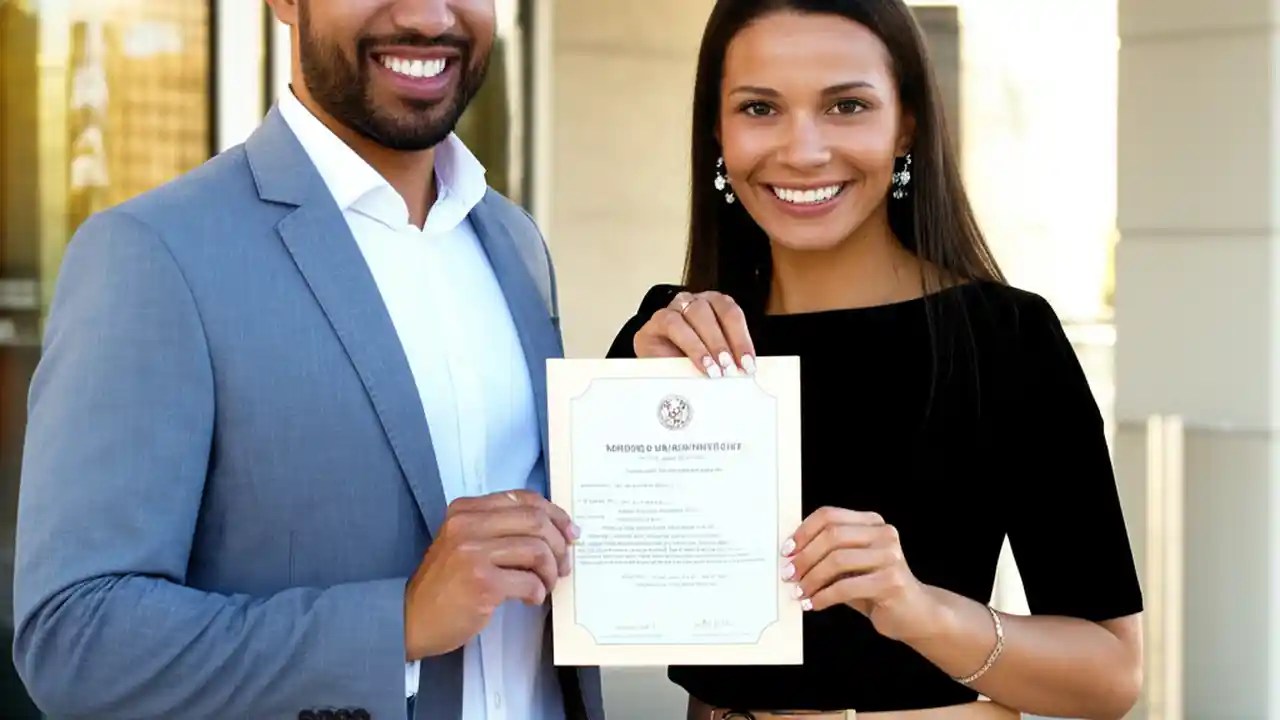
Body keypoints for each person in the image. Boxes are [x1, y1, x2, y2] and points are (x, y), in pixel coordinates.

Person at [11, 1, 603, 719]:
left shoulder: (514, 242)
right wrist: (397, 625)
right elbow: (75, 639)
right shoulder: (154, 253)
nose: (425, 16)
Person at [607, 2, 1144, 719]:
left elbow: (1111, 676)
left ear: (907, 123)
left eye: (847, 106)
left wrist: (921, 612)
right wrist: (632, 401)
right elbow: (591, 593)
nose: (801, 150)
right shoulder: (667, 342)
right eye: (760, 107)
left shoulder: (1005, 339)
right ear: (718, 130)